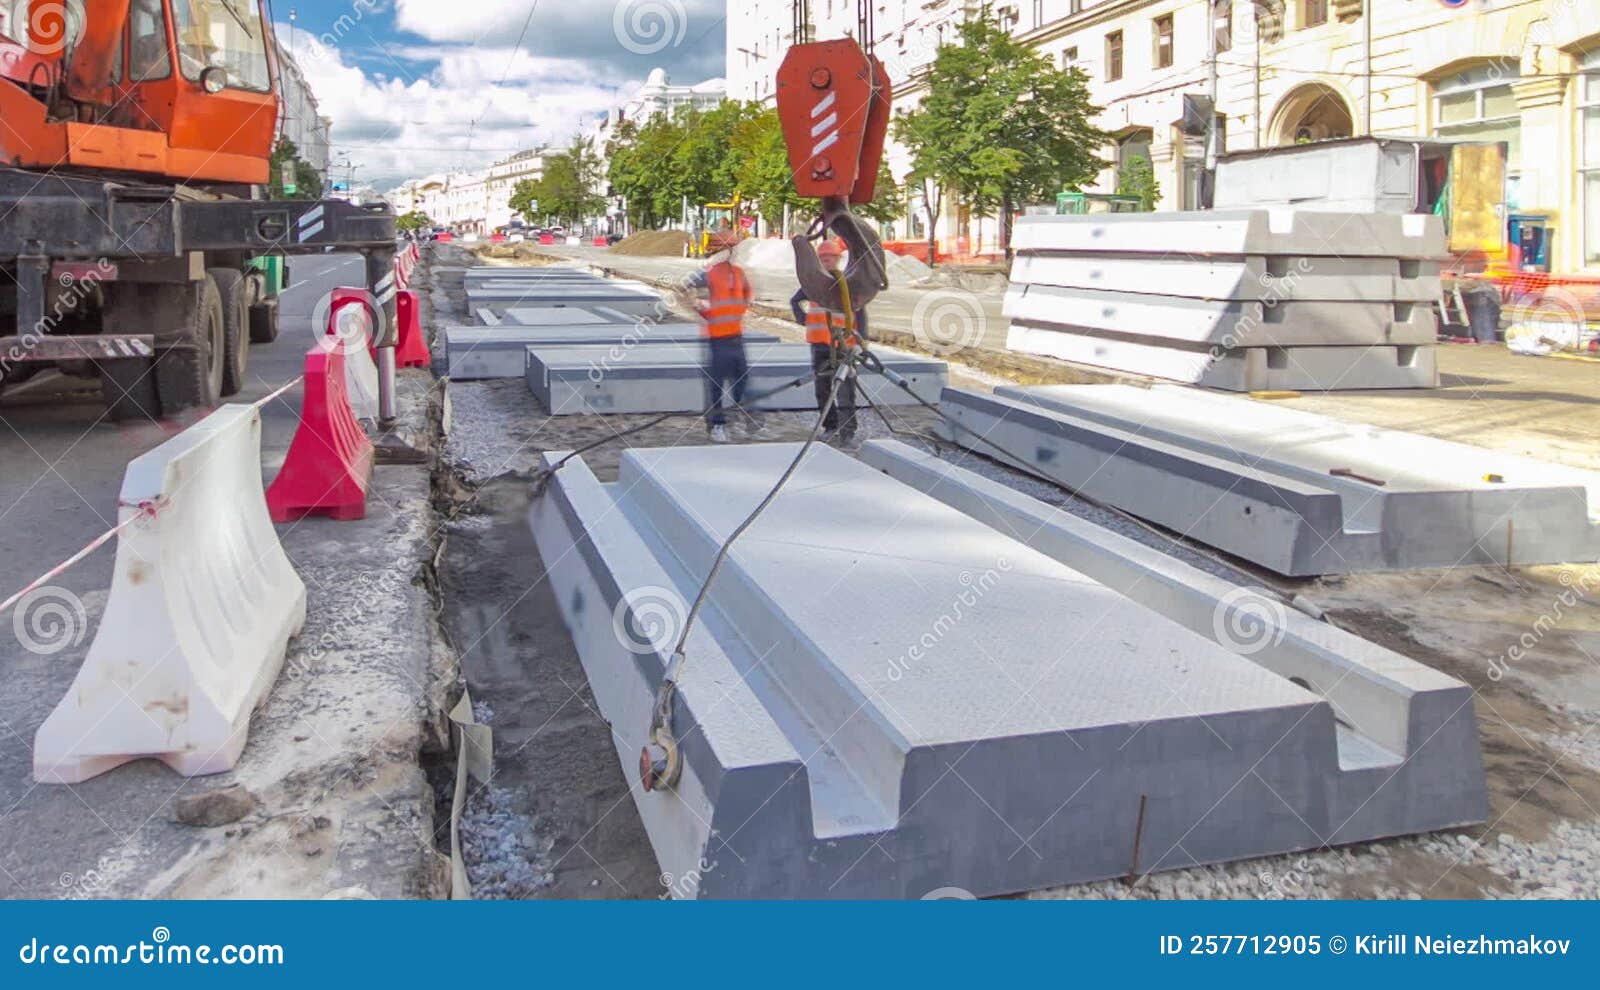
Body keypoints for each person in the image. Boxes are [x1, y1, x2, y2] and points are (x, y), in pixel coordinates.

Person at [789, 240, 868, 445]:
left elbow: (861, 312)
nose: (826, 261)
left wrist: (862, 340)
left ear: (838, 259)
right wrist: (803, 318)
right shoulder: (813, 284)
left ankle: (847, 431)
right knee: (822, 389)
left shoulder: (848, 284)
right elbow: (795, 300)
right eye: (822, 258)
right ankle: (830, 426)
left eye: (830, 257)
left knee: (845, 390)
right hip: (820, 345)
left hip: (845, 346)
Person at [685, 241, 755, 443]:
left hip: (735, 337)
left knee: (740, 381)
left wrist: (736, 312)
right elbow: (685, 289)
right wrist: (700, 308)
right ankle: (717, 424)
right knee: (716, 385)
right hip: (717, 339)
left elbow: (746, 295)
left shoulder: (739, 273)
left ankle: (732, 420)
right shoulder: (708, 274)